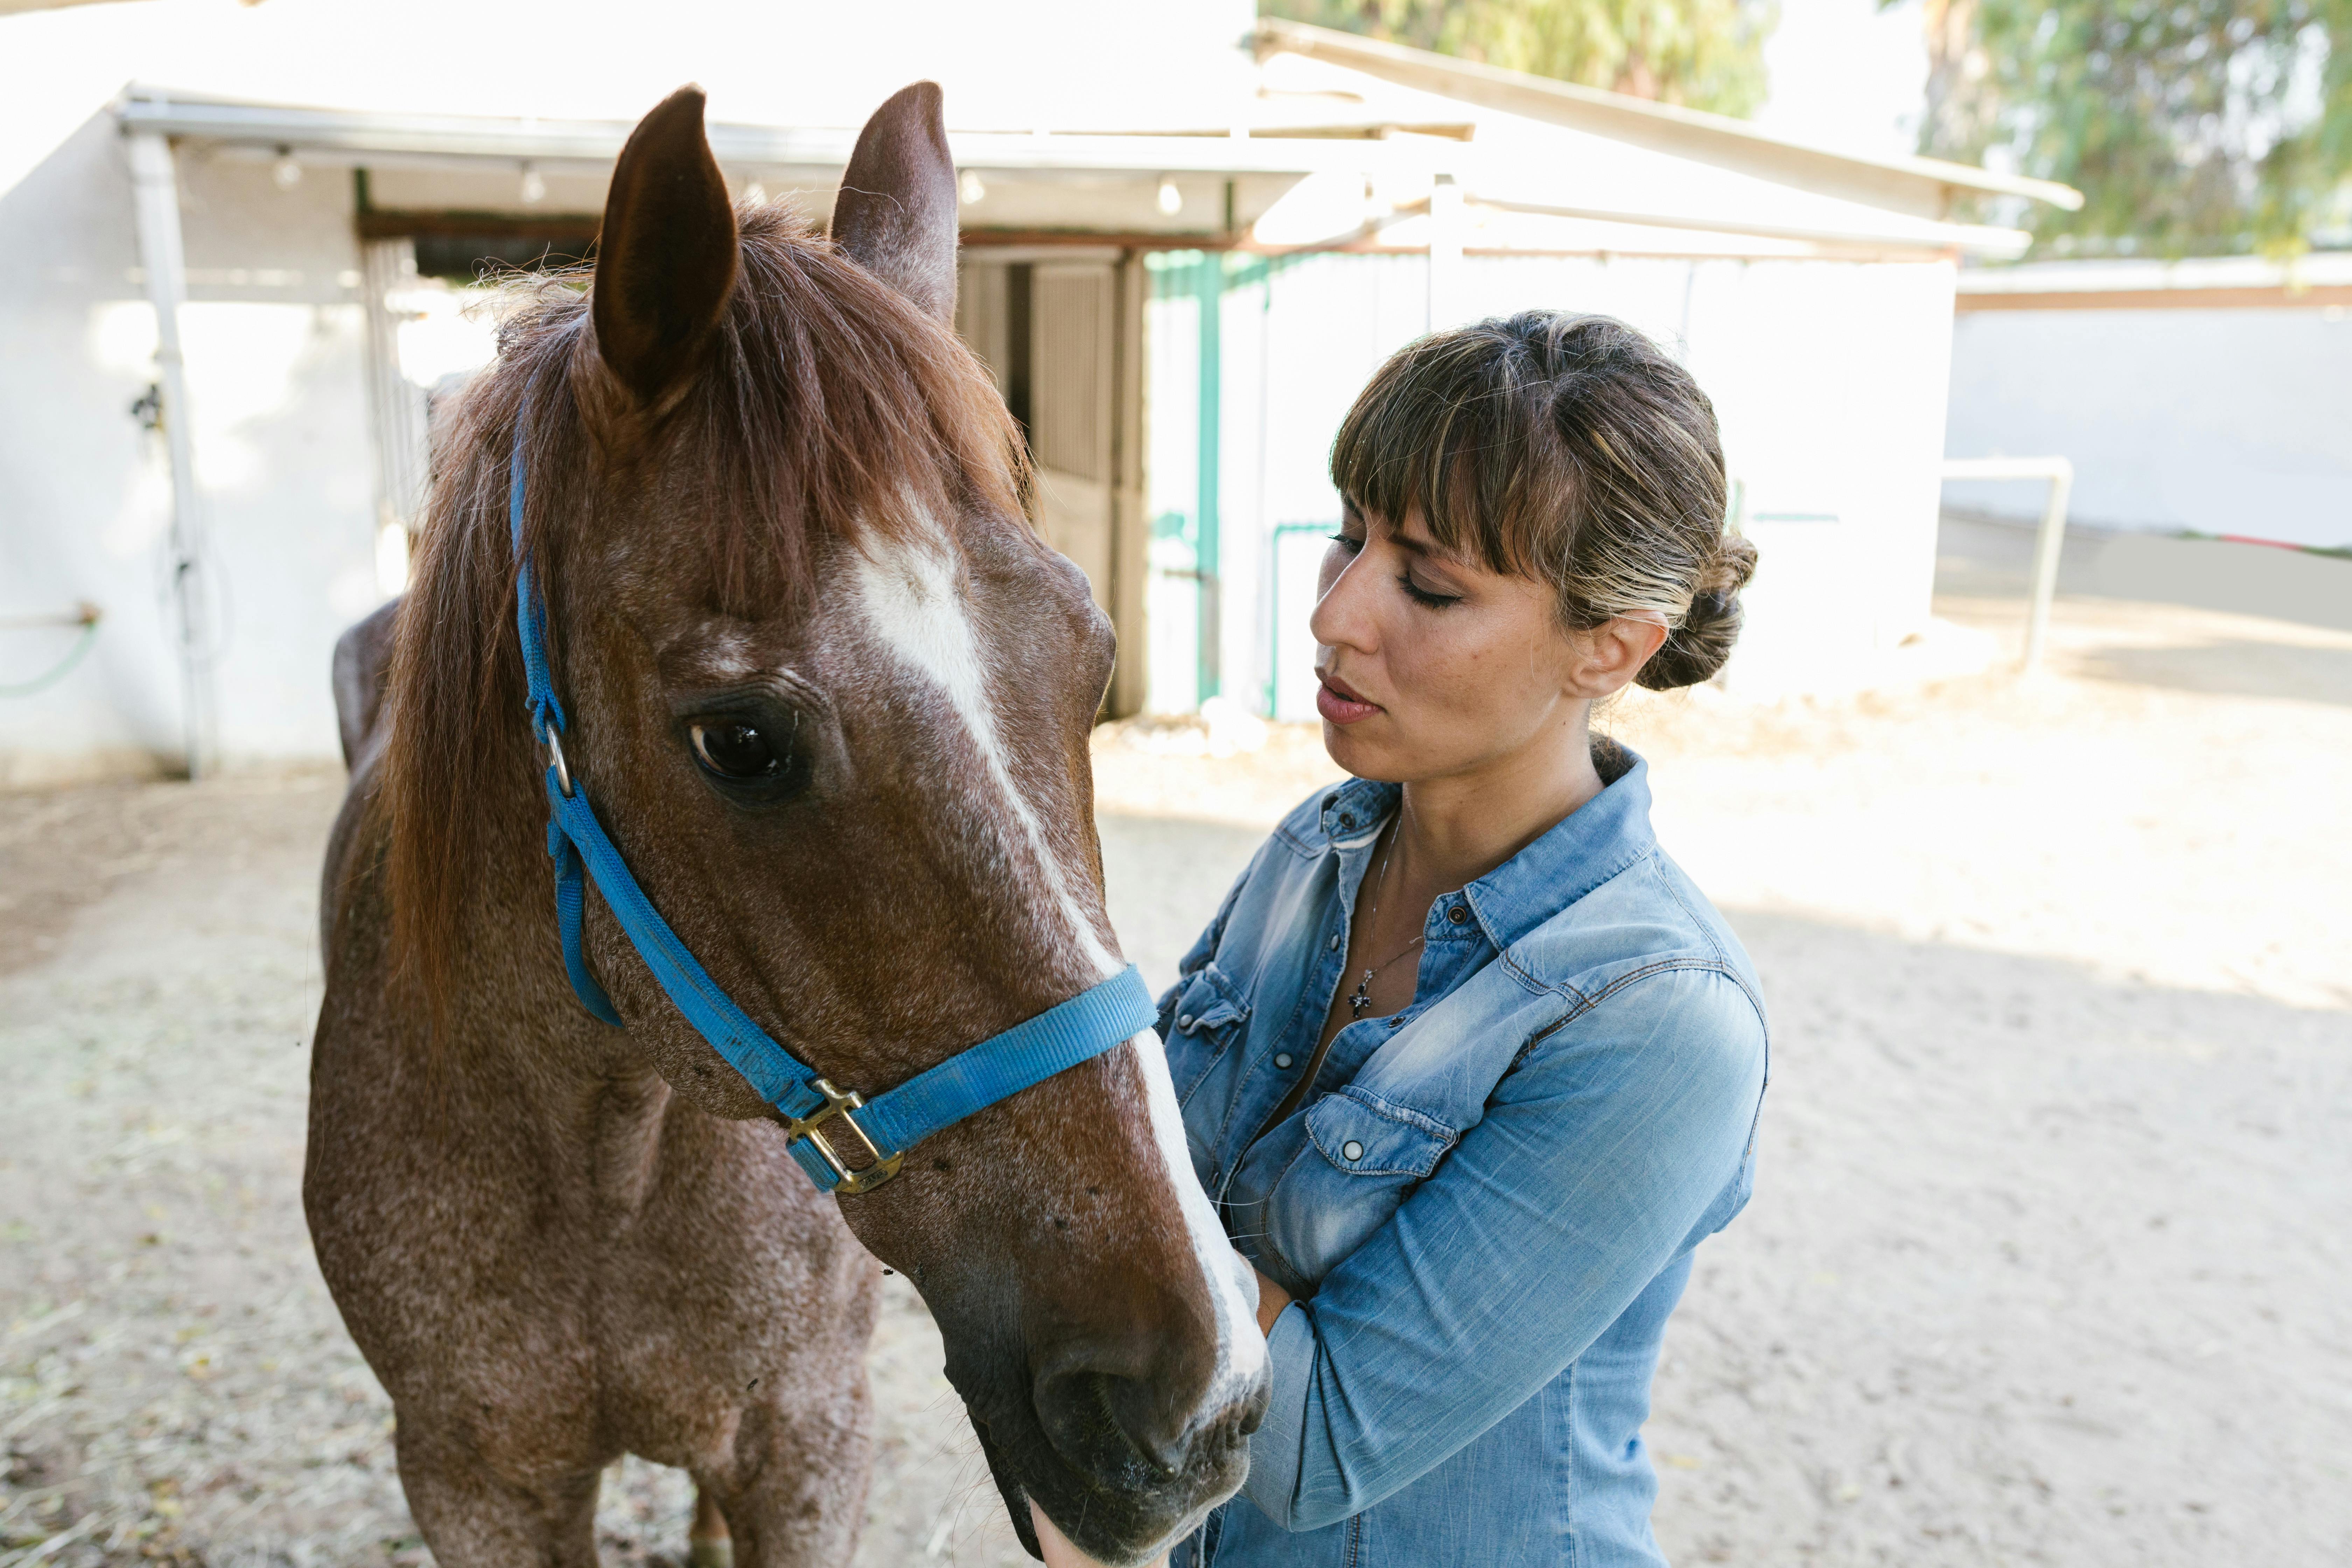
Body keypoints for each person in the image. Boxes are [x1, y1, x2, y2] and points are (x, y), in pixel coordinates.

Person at [1035, 310, 1768, 1568]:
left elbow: (1316, 1446)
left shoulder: (1658, 1016)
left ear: (1611, 646)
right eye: (1348, 535)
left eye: (1429, 586)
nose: (1337, 613)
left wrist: (1035, 1130)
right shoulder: (1317, 848)